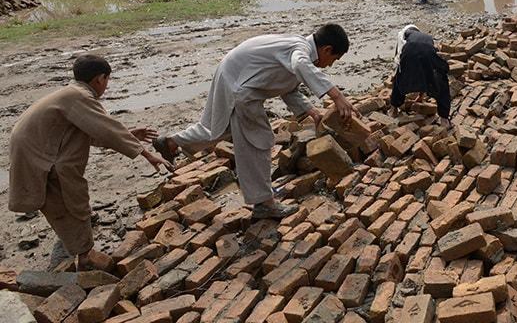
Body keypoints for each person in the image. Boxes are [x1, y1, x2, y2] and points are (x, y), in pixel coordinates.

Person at [153, 24, 356, 219]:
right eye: (334, 59)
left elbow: (287, 87)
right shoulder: (300, 50)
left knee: (221, 127)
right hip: (240, 85)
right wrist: (336, 96)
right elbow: (299, 64)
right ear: (327, 49)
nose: (330, 64)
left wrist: (311, 112)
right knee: (259, 141)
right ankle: (264, 204)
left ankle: (171, 142)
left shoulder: (295, 45)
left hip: (232, 75)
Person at [8, 54, 172, 270]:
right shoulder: (80, 96)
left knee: (60, 200)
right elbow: (106, 128)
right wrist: (147, 153)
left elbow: (90, 131)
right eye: (107, 80)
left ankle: (74, 247)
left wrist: (131, 135)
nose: (106, 85)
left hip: (39, 151)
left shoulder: (72, 93)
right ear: (99, 79)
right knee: (72, 196)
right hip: (43, 156)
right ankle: (84, 257)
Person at [391, 25, 451, 127]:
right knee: (440, 80)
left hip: (410, 51)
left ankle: (394, 109)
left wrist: (397, 74)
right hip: (428, 53)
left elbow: (398, 59)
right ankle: (444, 119)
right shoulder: (427, 37)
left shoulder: (402, 35)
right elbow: (426, 69)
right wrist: (421, 95)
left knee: (400, 79)